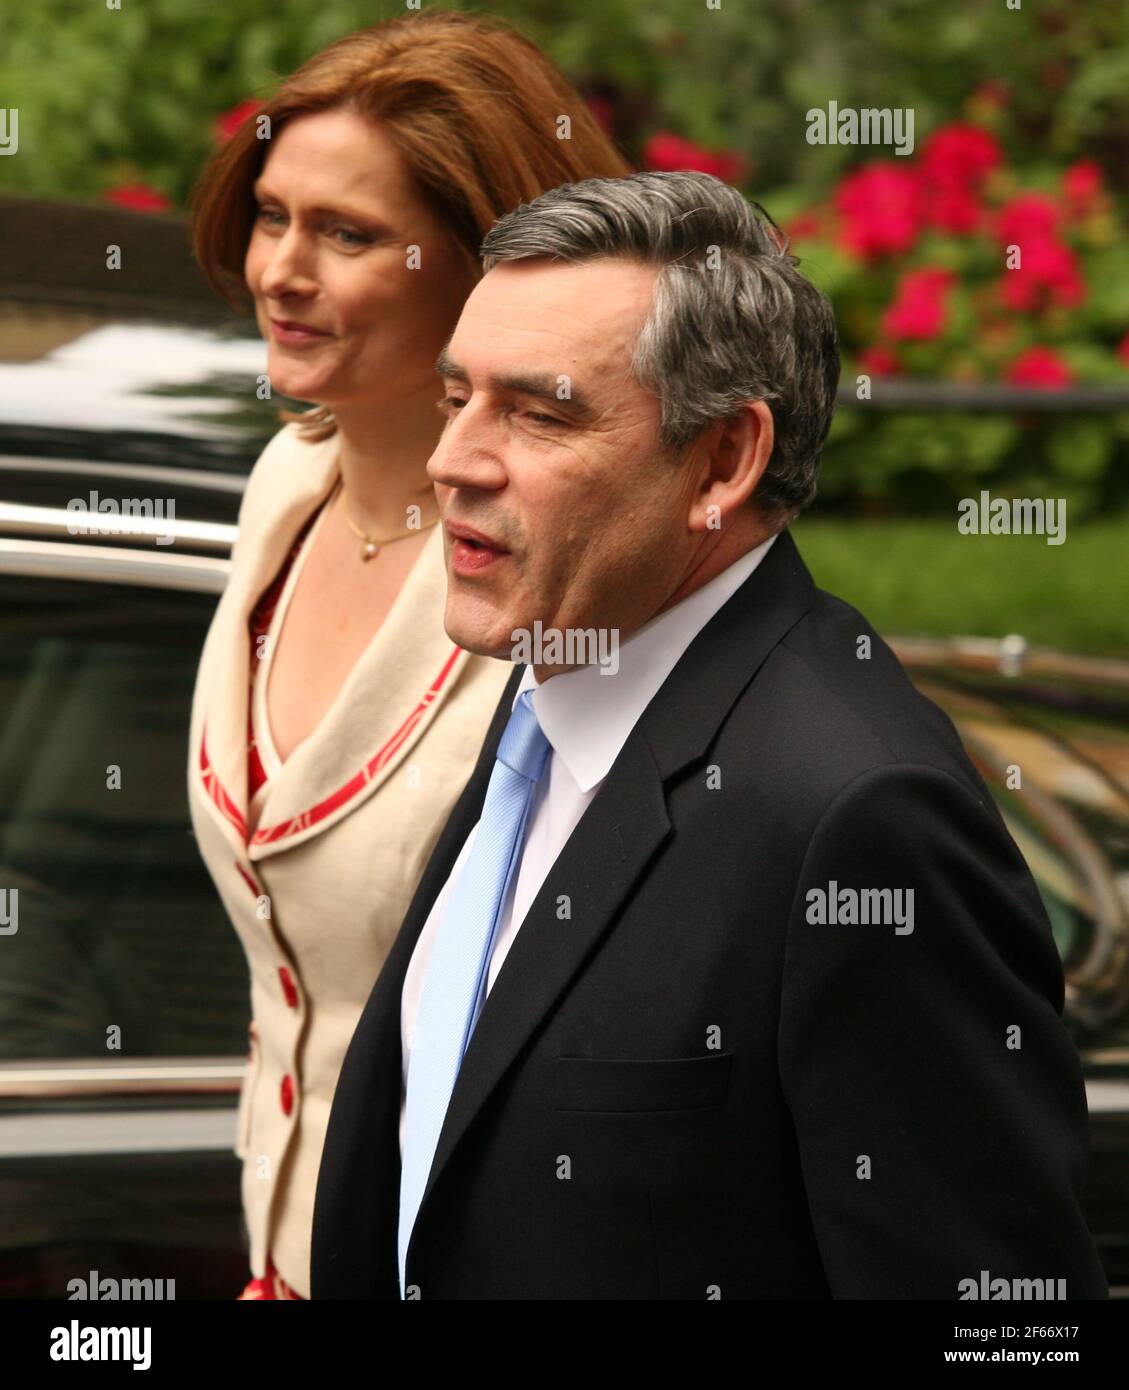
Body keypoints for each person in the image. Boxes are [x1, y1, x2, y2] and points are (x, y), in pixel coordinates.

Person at [311, 170, 1109, 1299]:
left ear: (724, 461)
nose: (454, 461)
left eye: (540, 412)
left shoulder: (858, 815)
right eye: (455, 399)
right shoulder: (556, 674)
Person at [186, 11, 631, 1301]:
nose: (280, 269)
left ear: (491, 267)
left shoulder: (563, 583)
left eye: (348, 235)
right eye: (273, 216)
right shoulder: (283, 485)